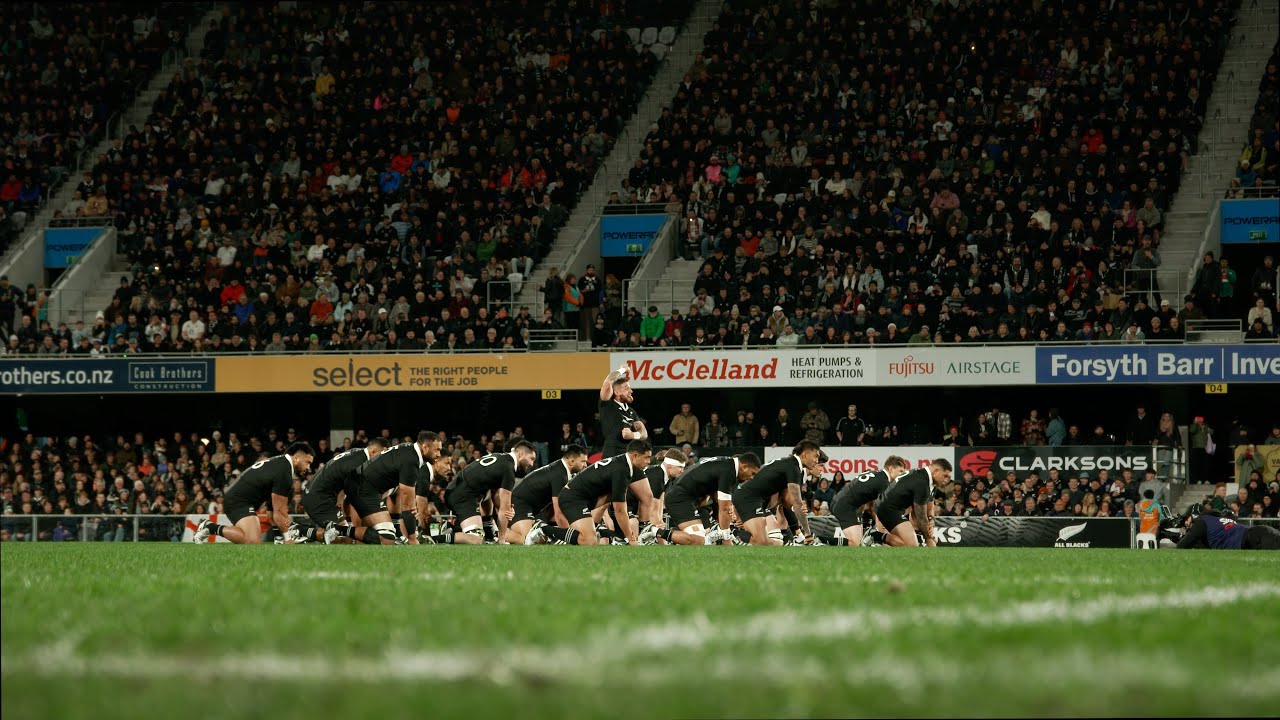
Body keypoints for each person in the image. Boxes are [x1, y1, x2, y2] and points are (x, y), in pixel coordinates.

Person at [193, 443, 314, 544]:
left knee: (252, 539)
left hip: (238, 498)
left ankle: (210, 527)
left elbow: (271, 511)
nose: (308, 467)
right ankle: (209, 527)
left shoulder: (279, 463)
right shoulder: (284, 472)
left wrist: (279, 533)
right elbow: (279, 512)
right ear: (296, 458)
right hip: (238, 501)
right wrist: (288, 539)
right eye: (307, 462)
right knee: (252, 541)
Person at [549, 439, 653, 546]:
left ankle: (597, 530)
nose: (649, 462)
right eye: (646, 457)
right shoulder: (621, 470)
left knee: (590, 537)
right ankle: (544, 529)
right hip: (573, 499)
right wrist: (631, 538)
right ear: (635, 456)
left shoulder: (623, 464)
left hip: (584, 498)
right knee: (589, 541)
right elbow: (619, 510)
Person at [347, 432, 441, 544]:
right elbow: (407, 506)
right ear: (425, 447)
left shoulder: (408, 448)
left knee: (399, 490)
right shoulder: (411, 460)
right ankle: (339, 530)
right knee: (387, 539)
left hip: (366, 486)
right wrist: (413, 538)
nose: (439, 454)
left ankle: (397, 532)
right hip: (362, 489)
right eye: (437, 450)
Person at [731, 441, 825, 545]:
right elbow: (796, 504)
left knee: (764, 542)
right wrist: (807, 533)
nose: (816, 461)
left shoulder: (789, 464)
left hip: (750, 498)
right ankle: (730, 533)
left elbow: (787, 502)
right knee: (762, 542)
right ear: (805, 454)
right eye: (816, 456)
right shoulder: (793, 468)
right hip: (749, 499)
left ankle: (788, 544)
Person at [446, 440, 538, 544]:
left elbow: (496, 496)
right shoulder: (508, 469)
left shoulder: (499, 457)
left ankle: (488, 533)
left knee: (489, 495)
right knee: (476, 538)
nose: (531, 464)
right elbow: (504, 509)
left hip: (457, 490)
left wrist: (507, 507)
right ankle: (439, 538)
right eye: (531, 459)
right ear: (520, 454)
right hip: (462, 496)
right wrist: (502, 539)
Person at [658, 452, 761, 545]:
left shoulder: (725, 463)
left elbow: (716, 498)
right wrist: (726, 538)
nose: (752, 478)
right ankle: (654, 531)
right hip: (679, 498)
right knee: (697, 540)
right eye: (753, 473)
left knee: (700, 539)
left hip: (683, 498)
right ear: (744, 467)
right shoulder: (729, 471)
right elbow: (724, 508)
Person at [297, 438, 386, 543]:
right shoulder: (358, 463)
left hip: (316, 493)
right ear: (373, 451)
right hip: (319, 497)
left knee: (346, 534)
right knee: (344, 538)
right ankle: (300, 531)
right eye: (381, 456)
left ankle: (302, 531)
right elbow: (351, 492)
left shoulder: (356, 452)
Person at [822, 455, 910, 546]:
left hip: (843, 502)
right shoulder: (884, 483)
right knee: (854, 543)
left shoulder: (877, 475)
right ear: (891, 469)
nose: (902, 475)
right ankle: (820, 540)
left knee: (858, 542)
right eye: (900, 471)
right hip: (845, 505)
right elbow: (881, 510)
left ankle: (871, 534)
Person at [510, 445, 588, 545]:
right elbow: (558, 512)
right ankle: (495, 534)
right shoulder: (560, 475)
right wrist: (569, 537)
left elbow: (553, 508)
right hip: (519, 504)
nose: (585, 465)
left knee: (540, 539)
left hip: (528, 506)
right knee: (527, 539)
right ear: (572, 461)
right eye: (583, 461)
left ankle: (541, 528)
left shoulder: (561, 470)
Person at [874, 458, 954, 547]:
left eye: (948, 477)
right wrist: (928, 539)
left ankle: (917, 536)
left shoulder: (928, 480)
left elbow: (930, 507)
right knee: (911, 546)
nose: (946, 480)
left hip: (896, 508)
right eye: (945, 476)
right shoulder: (922, 482)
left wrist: (931, 521)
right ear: (936, 471)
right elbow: (921, 516)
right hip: (888, 509)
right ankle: (875, 536)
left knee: (914, 537)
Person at [599, 365, 647, 457]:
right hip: (612, 455)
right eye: (627, 388)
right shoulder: (608, 405)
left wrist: (633, 435)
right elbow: (608, 382)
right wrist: (623, 369)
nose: (631, 391)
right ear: (617, 392)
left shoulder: (631, 412)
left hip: (629, 455)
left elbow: (644, 433)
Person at [1177, 508, 1280, 550]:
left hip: (1254, 538)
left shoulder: (1202, 521)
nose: (1186, 523)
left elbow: (1182, 545)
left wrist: (1178, 537)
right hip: (1258, 534)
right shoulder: (1215, 520)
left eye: (1187, 519)